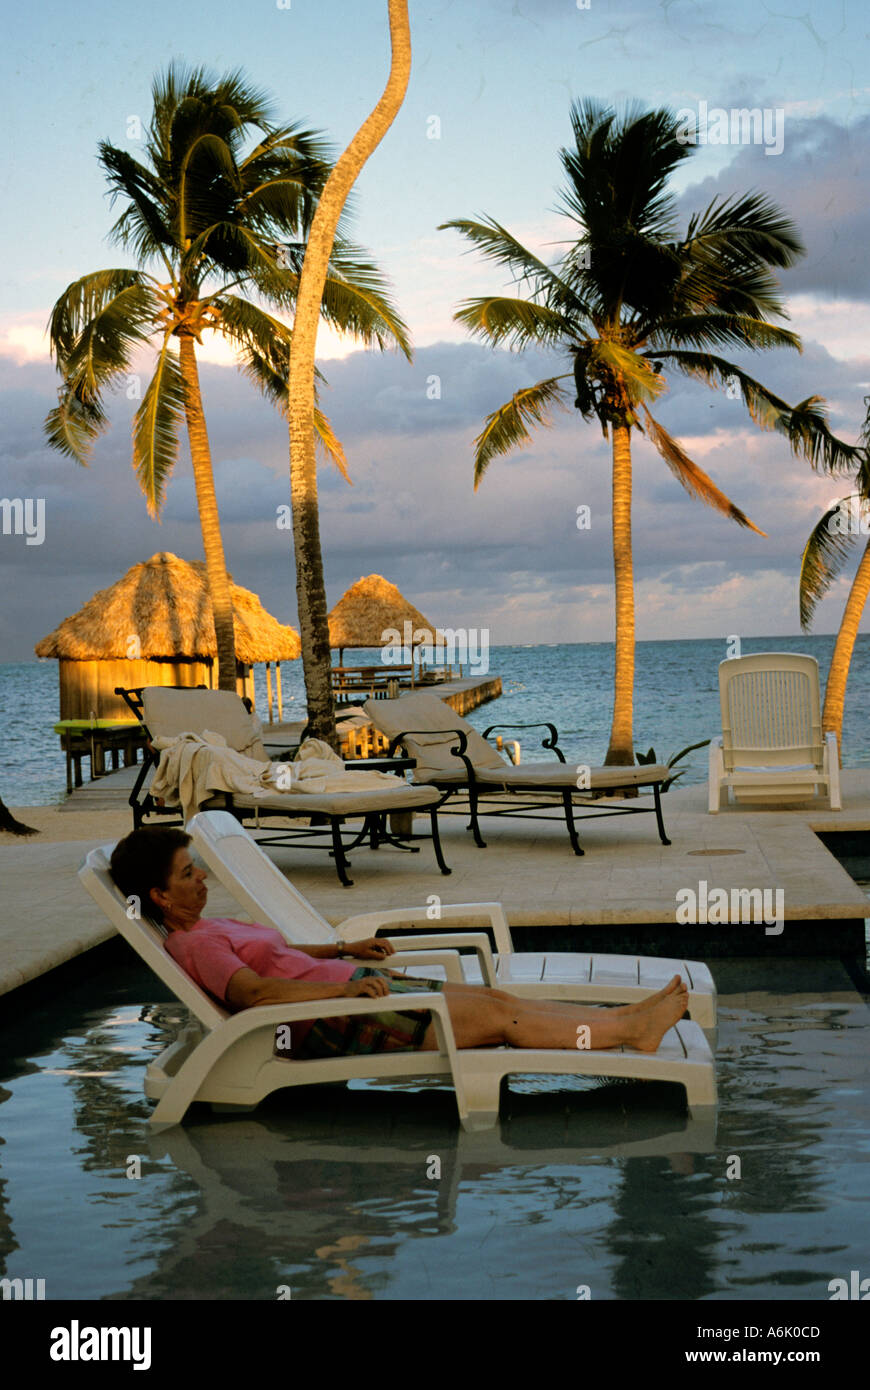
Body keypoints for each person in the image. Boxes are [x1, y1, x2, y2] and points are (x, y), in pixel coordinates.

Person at [109, 827, 689, 1061]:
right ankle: (628, 1032)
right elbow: (257, 995)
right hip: (341, 1017)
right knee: (499, 1021)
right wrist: (344, 997)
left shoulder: (210, 928)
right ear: (159, 896)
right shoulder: (194, 946)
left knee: (497, 1001)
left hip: (358, 989)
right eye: (189, 874)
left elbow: (280, 959)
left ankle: (625, 1018)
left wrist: (344, 952)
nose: (202, 878)